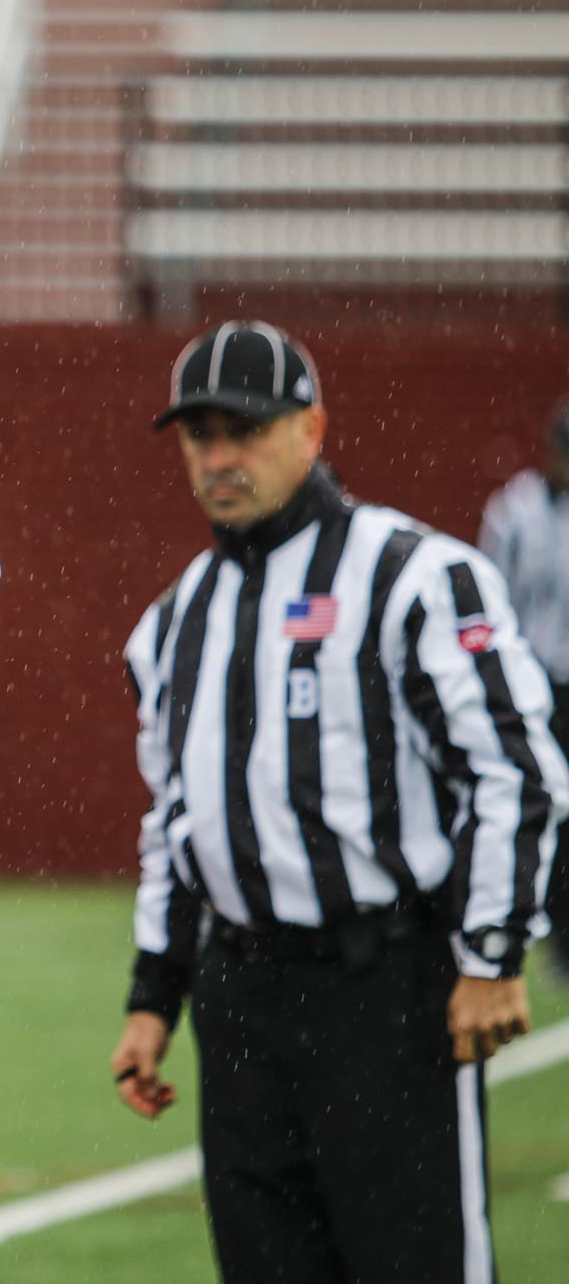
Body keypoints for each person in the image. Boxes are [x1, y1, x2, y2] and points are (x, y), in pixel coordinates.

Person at [108, 320, 567, 1282]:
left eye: (246, 428)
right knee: (266, 1262)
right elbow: (178, 824)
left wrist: (491, 952)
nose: (221, 456)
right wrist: (156, 995)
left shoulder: (415, 576)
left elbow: (515, 768)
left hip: (383, 988)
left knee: (416, 1260)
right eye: (201, 435)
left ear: (311, 430)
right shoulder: (174, 618)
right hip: (241, 1000)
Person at [479, 402, 569, 975]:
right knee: (547, 806)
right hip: (538, 683)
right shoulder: (515, 510)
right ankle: (555, 930)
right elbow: (494, 595)